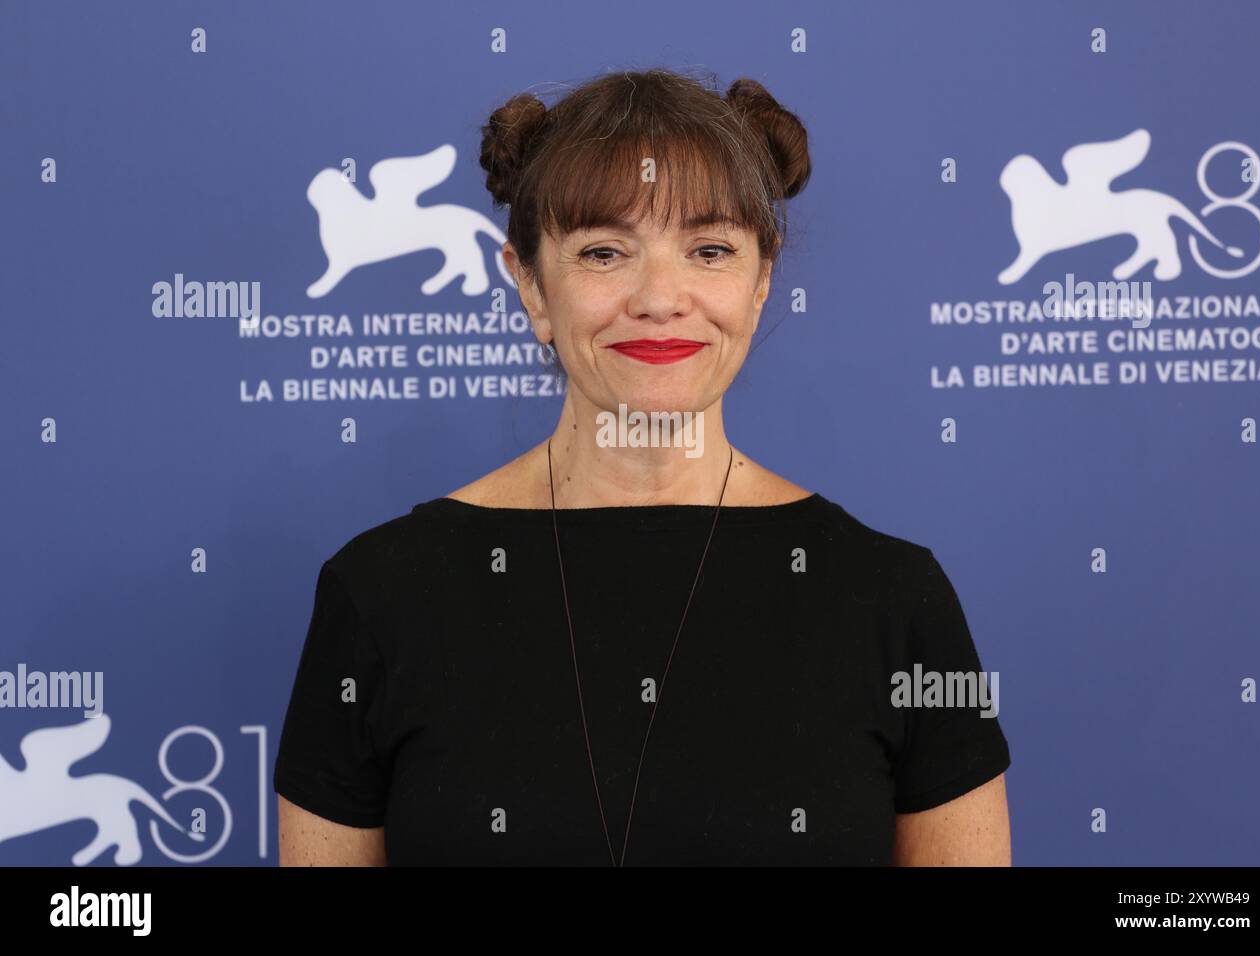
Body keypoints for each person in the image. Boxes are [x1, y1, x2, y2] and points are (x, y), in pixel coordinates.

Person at [274, 68, 1011, 866]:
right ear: (529, 286)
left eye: (709, 249)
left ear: (762, 281)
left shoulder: (897, 600)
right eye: (603, 251)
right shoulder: (380, 593)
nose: (661, 297)